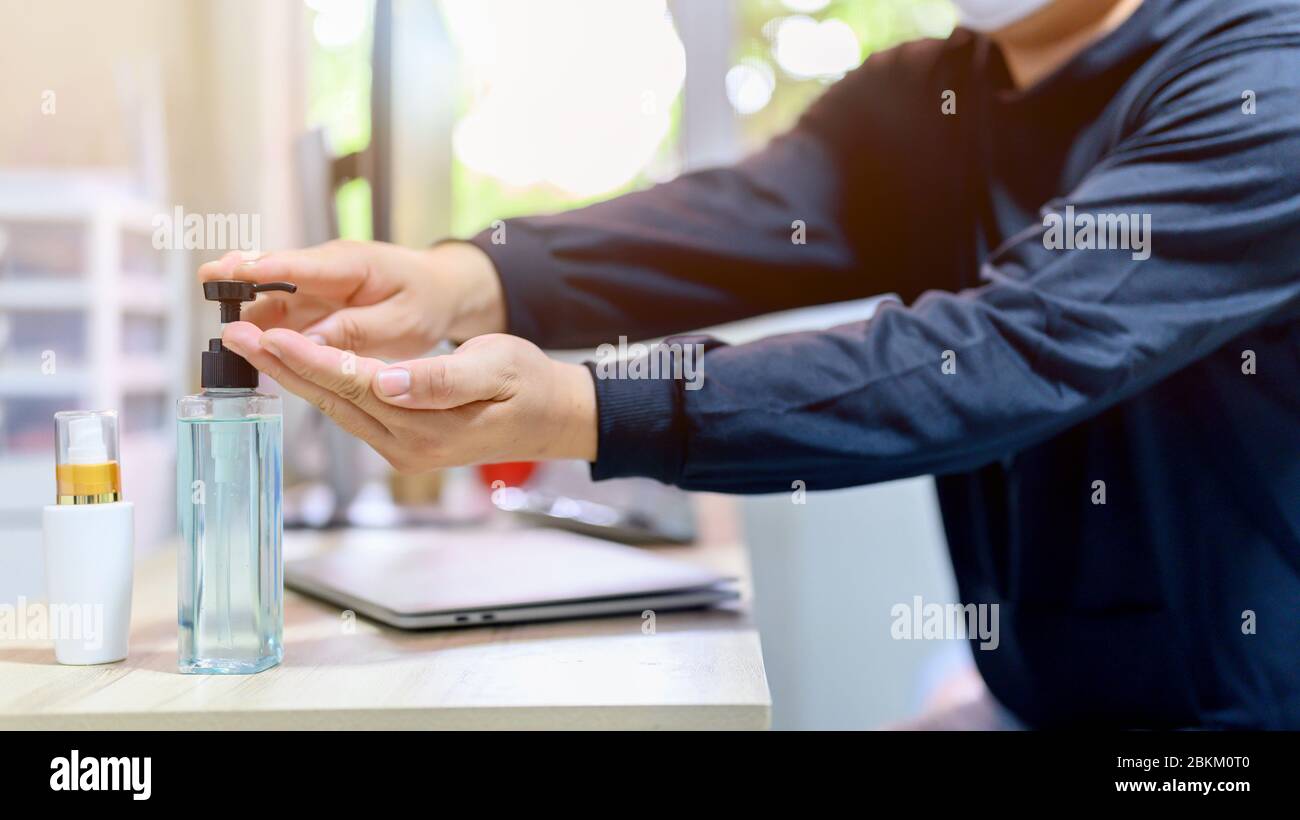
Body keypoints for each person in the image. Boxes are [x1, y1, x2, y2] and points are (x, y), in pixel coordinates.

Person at [200, 0, 1300, 729]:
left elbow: (1008, 352)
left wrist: (582, 407)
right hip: (1041, 694)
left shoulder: (1262, 79)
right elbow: (736, 218)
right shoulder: (931, 100)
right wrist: (453, 276)